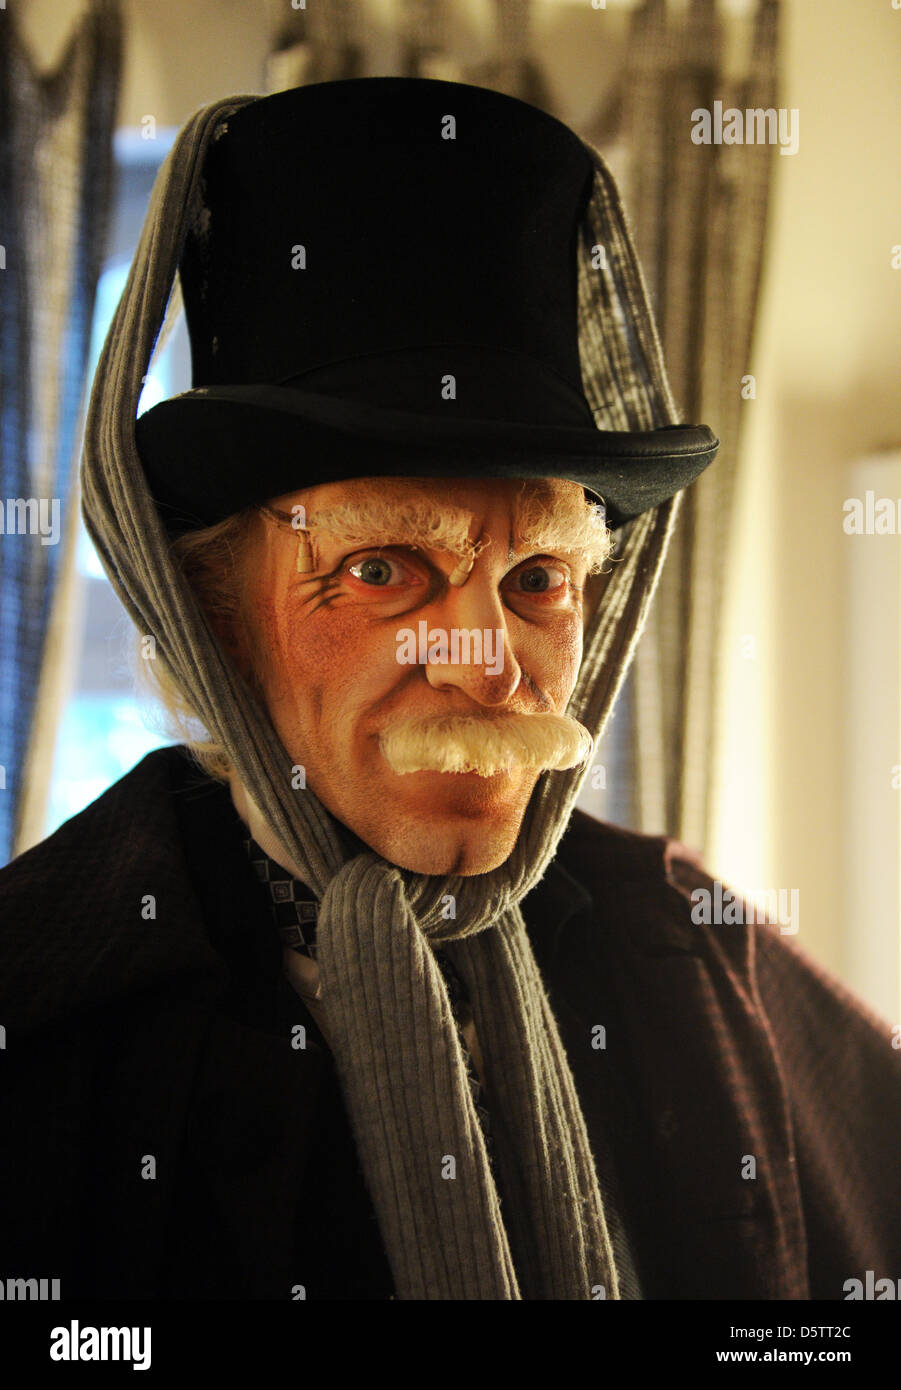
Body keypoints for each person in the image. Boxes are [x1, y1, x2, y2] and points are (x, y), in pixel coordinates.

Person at [0, 77, 897, 1303]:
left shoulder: (689, 953)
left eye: (537, 578)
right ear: (212, 613)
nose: (485, 659)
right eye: (381, 568)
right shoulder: (49, 994)